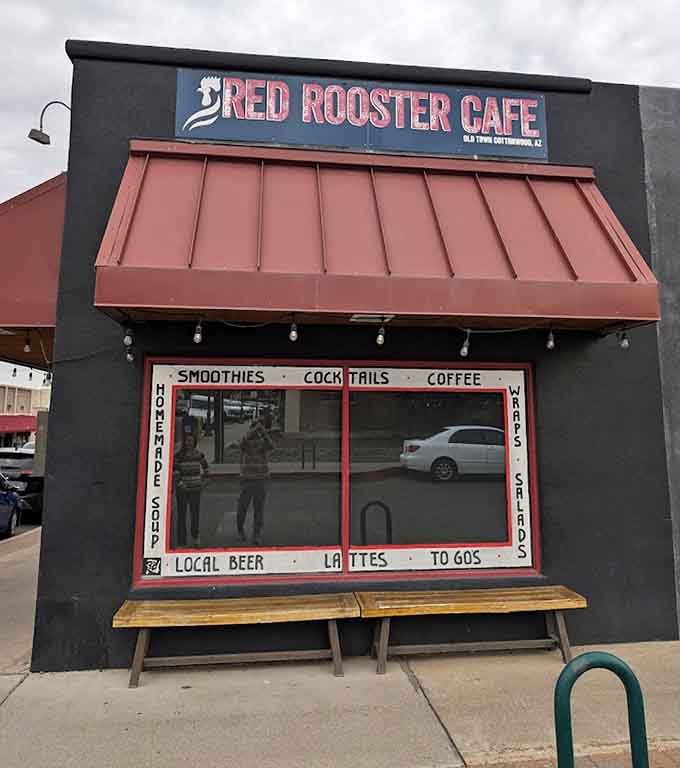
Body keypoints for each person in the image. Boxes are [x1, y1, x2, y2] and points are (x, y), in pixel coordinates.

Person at [235, 415, 274, 546]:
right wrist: (254, 429)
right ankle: (240, 529)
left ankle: (256, 535)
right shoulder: (246, 443)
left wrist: (262, 430)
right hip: (247, 479)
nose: (257, 432)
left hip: (261, 480)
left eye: (258, 430)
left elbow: (272, 445)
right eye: (255, 430)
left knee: (259, 509)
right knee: (242, 508)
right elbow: (241, 443)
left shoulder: (263, 442)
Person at [173, 433, 209, 547]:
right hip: (182, 490)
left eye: (191, 440)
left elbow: (206, 468)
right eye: (187, 441)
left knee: (195, 515)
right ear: (184, 442)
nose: (189, 443)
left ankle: (195, 538)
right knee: (181, 516)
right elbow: (175, 472)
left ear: (194, 442)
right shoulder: (179, 456)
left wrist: (203, 482)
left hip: (195, 489)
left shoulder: (199, 455)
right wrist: (180, 483)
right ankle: (181, 542)